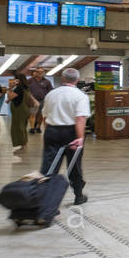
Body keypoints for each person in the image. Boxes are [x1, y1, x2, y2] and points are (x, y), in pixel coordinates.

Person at [40, 69, 90, 206]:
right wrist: (80, 138)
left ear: (62, 79)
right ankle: (78, 196)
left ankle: (45, 201)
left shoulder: (51, 94)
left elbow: (44, 116)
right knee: (74, 165)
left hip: (52, 130)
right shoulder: (80, 96)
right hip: (71, 132)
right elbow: (80, 117)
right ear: (77, 80)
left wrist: (48, 132)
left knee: (49, 167)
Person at [7, 74, 32, 159]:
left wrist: (10, 87)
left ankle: (23, 146)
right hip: (25, 110)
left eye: (15, 79)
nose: (13, 81)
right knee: (22, 127)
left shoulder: (19, 88)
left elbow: (9, 97)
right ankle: (24, 144)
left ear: (18, 80)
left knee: (19, 127)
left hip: (20, 111)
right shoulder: (25, 88)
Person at [27, 68, 53, 133]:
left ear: (44, 73)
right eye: (38, 71)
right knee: (32, 114)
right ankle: (32, 128)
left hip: (43, 101)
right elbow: (26, 90)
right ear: (36, 72)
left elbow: (51, 91)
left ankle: (38, 127)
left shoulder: (47, 82)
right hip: (32, 101)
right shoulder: (30, 80)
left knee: (40, 115)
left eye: (42, 72)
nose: (40, 73)